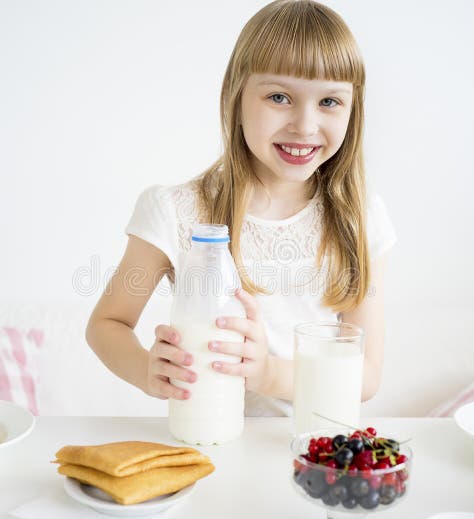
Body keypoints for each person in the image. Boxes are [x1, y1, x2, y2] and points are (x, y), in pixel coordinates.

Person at [86, 0, 397, 416]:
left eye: (329, 102)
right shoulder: (177, 211)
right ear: (235, 95)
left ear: (352, 109)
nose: (304, 125)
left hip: (317, 449)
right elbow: (107, 325)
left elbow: (366, 376)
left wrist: (268, 374)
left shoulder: (359, 216)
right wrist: (147, 369)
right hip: (208, 446)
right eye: (279, 96)